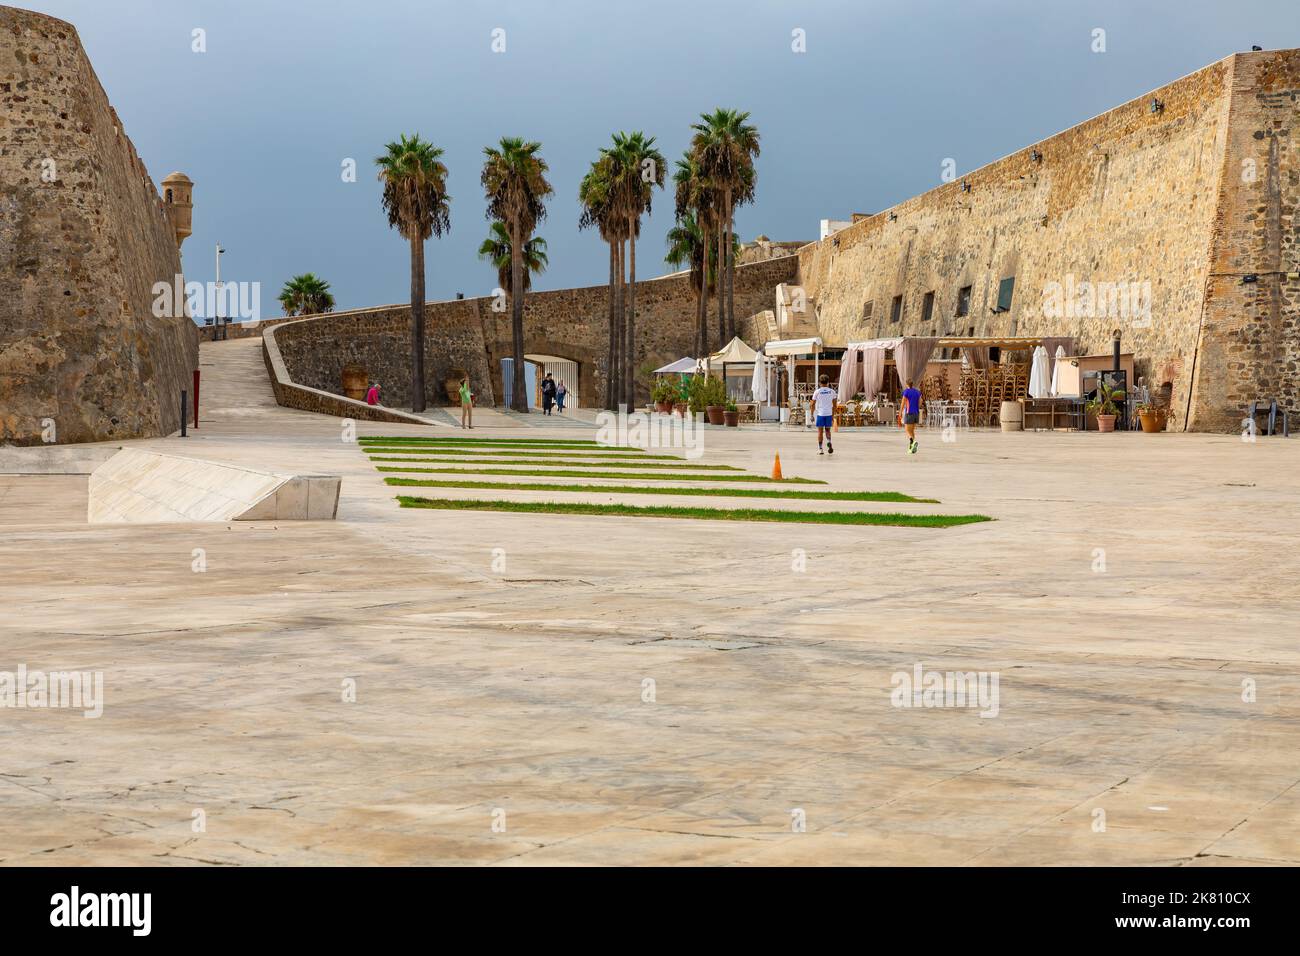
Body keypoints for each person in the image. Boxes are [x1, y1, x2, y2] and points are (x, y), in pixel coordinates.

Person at [812, 373, 836, 455]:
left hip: (821, 414)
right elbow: (835, 405)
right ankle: (829, 441)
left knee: (820, 431)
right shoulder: (832, 392)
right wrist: (833, 415)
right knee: (828, 430)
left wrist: (812, 414)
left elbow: (812, 404)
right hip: (829, 414)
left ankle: (820, 448)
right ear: (828, 382)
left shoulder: (817, 392)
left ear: (819, 383)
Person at [902, 379, 922, 454]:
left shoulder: (906, 392)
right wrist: (917, 407)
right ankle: (911, 447)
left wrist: (900, 413)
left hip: (909, 413)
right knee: (912, 431)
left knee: (907, 430)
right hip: (916, 413)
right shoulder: (917, 392)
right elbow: (921, 401)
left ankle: (912, 441)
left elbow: (903, 403)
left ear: (907, 384)